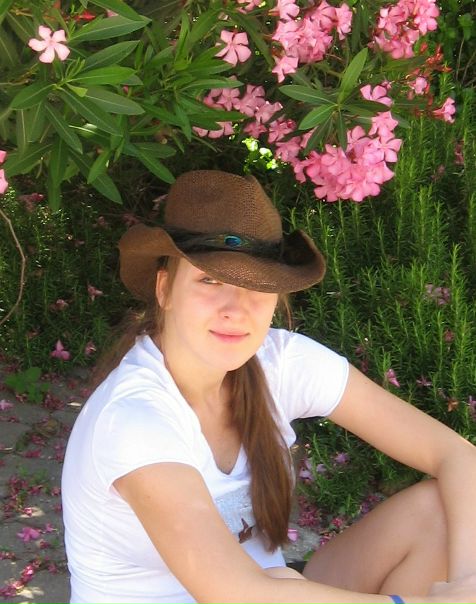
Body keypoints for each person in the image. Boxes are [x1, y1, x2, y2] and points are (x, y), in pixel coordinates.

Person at [61, 170, 476, 604]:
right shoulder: (133, 418)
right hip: (247, 594)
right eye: (210, 280)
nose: (235, 309)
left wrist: (464, 584)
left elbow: (456, 456)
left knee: (441, 512)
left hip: (276, 589)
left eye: (256, 286)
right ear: (165, 289)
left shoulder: (281, 363)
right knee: (279, 584)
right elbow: (234, 592)